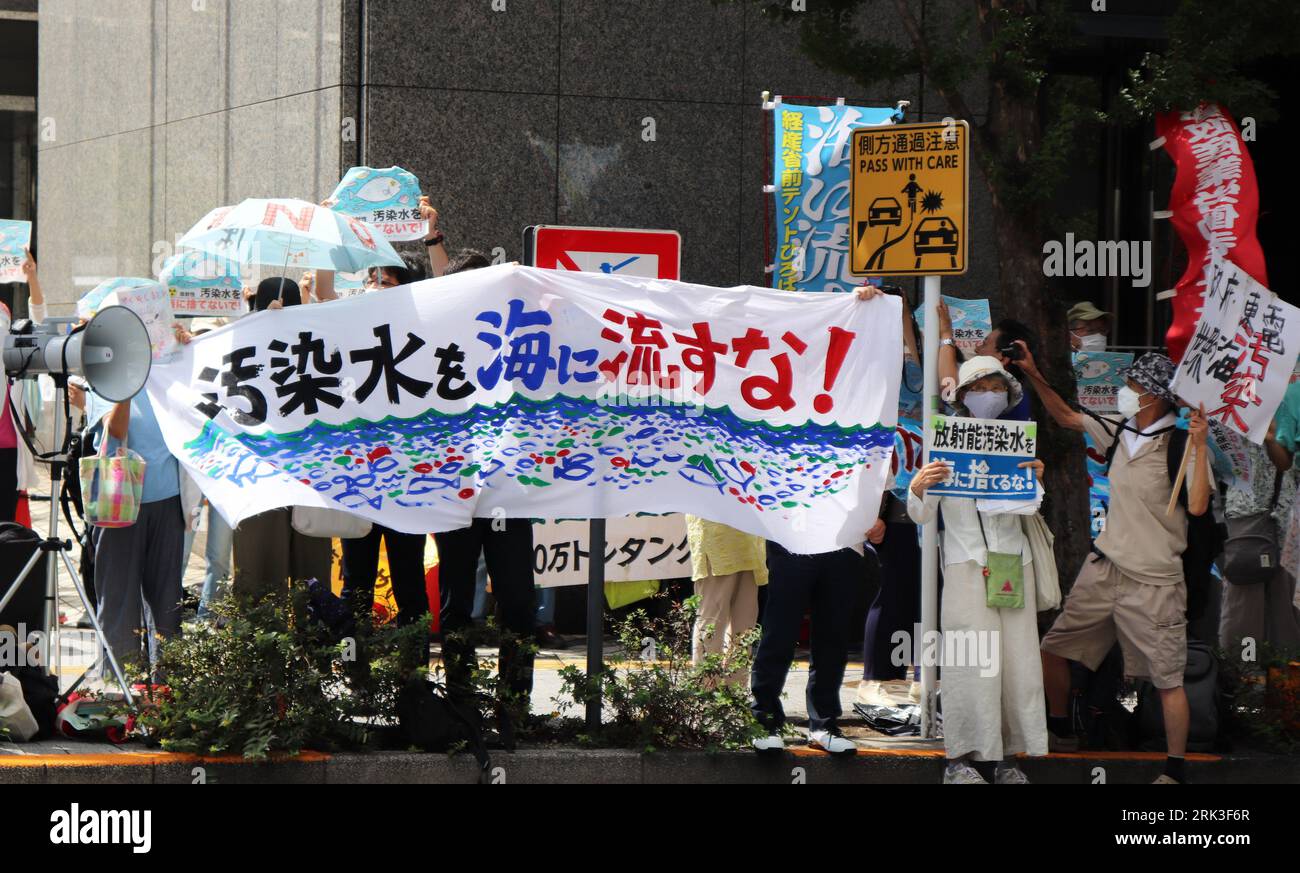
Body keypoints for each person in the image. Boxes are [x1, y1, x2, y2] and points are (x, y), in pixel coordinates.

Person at [1022, 348, 1211, 784]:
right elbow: (1069, 417)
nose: (1126, 391)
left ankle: (1174, 769)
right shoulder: (1120, 432)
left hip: (1155, 581)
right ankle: (1063, 730)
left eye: (1134, 386)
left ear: (1154, 396)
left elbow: (1198, 505)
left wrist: (1200, 443)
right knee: (1053, 648)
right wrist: (1034, 372)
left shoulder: (1181, 445)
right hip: (1104, 568)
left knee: (1167, 681)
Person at [908, 356, 1048, 783]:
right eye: (980, 386)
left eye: (996, 386)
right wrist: (918, 487)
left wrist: (1036, 478)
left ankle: (1006, 756)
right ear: (964, 395)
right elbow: (921, 513)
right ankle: (959, 757)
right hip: (966, 564)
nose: (990, 394)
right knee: (969, 662)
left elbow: (1030, 504)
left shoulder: (1015, 441)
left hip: (1013, 562)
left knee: (1016, 664)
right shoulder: (943, 441)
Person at [431, 250, 535, 743]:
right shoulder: (437, 347)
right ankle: (461, 705)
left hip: (509, 498)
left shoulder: (519, 342)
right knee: (456, 607)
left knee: (516, 603)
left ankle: (514, 709)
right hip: (453, 495)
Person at [85, 321, 196, 677]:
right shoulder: (106, 375)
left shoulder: (171, 371)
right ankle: (122, 686)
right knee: (118, 598)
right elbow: (116, 429)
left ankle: (169, 687)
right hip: (119, 502)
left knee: (168, 602)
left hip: (168, 498)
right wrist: (128, 383)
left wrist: (189, 349)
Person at [229, 278, 334, 602]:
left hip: (274, 478)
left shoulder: (313, 342)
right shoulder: (249, 344)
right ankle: (305, 647)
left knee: (273, 576)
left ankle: (274, 649)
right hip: (283, 478)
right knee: (294, 576)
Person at [1213, 419, 1300, 658]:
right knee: (1244, 611)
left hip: (1284, 518)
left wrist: (1272, 437)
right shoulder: (1226, 402)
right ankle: (1247, 680)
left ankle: (1283, 682)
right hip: (1244, 518)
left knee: (1283, 609)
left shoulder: (1290, 402)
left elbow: (1288, 463)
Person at [686, 517, 766, 686]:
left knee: (745, 629)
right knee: (711, 624)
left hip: (749, 543)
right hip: (715, 541)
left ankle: (734, 698)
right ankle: (706, 698)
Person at [2, 248, 45, 524]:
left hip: (8, 448)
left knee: (5, 527)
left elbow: (40, 327)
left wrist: (32, 279)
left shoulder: (14, 353)